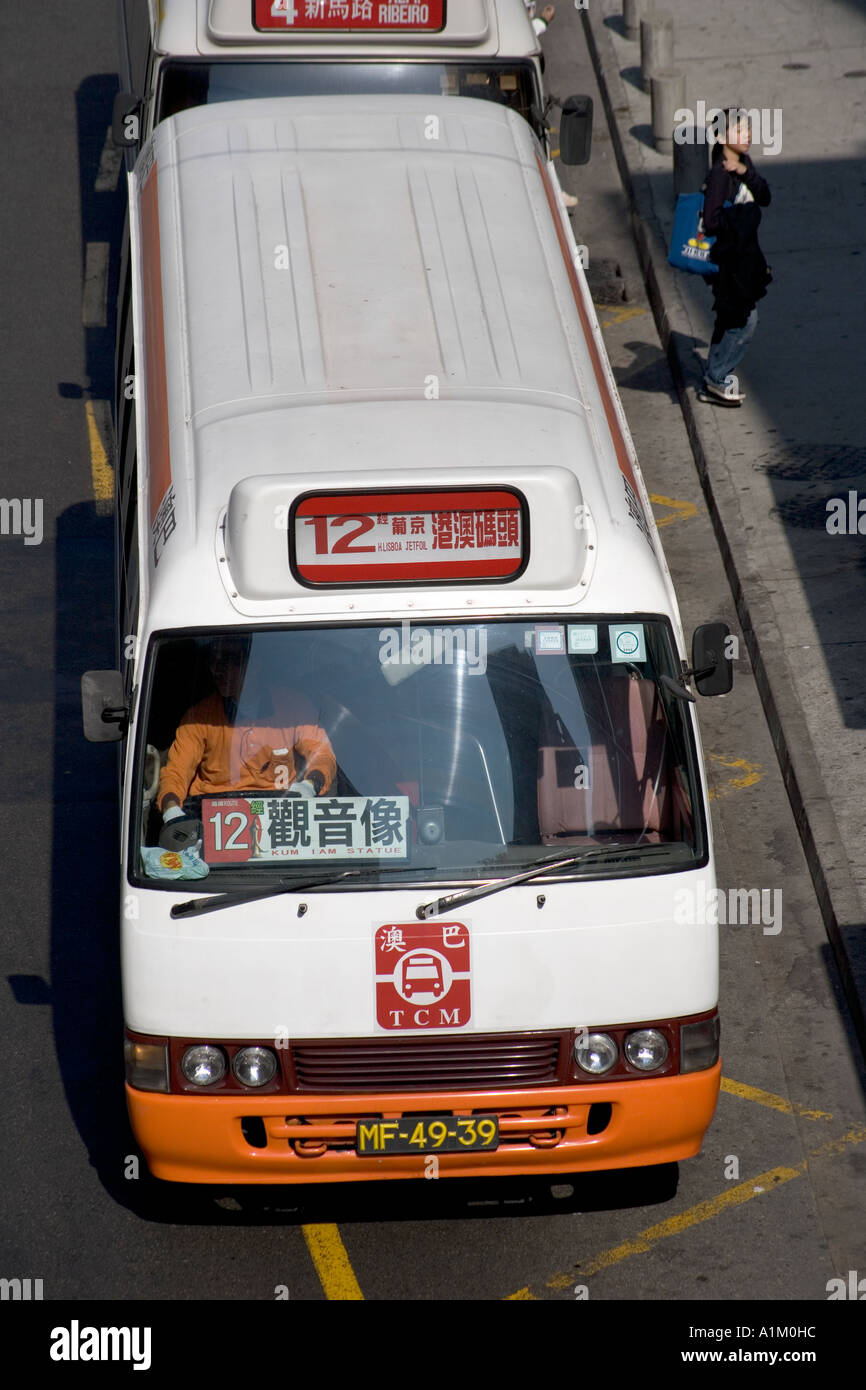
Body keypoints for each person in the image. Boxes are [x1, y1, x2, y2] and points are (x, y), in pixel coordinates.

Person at [157, 635, 337, 846]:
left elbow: (322, 754)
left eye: (229, 660)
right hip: (211, 823)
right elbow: (175, 772)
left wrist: (309, 785)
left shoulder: (294, 706)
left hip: (280, 818)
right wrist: (172, 811)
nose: (217, 669)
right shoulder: (199, 717)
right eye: (213, 661)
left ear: (254, 664)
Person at [701, 108, 772, 404]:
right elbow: (712, 221)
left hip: (746, 258)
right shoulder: (719, 175)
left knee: (729, 318)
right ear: (722, 136)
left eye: (748, 130)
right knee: (745, 320)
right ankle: (717, 377)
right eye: (740, 131)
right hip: (729, 262)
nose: (748, 136)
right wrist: (745, 215)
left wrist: (746, 173)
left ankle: (714, 373)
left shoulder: (743, 164)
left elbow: (765, 197)